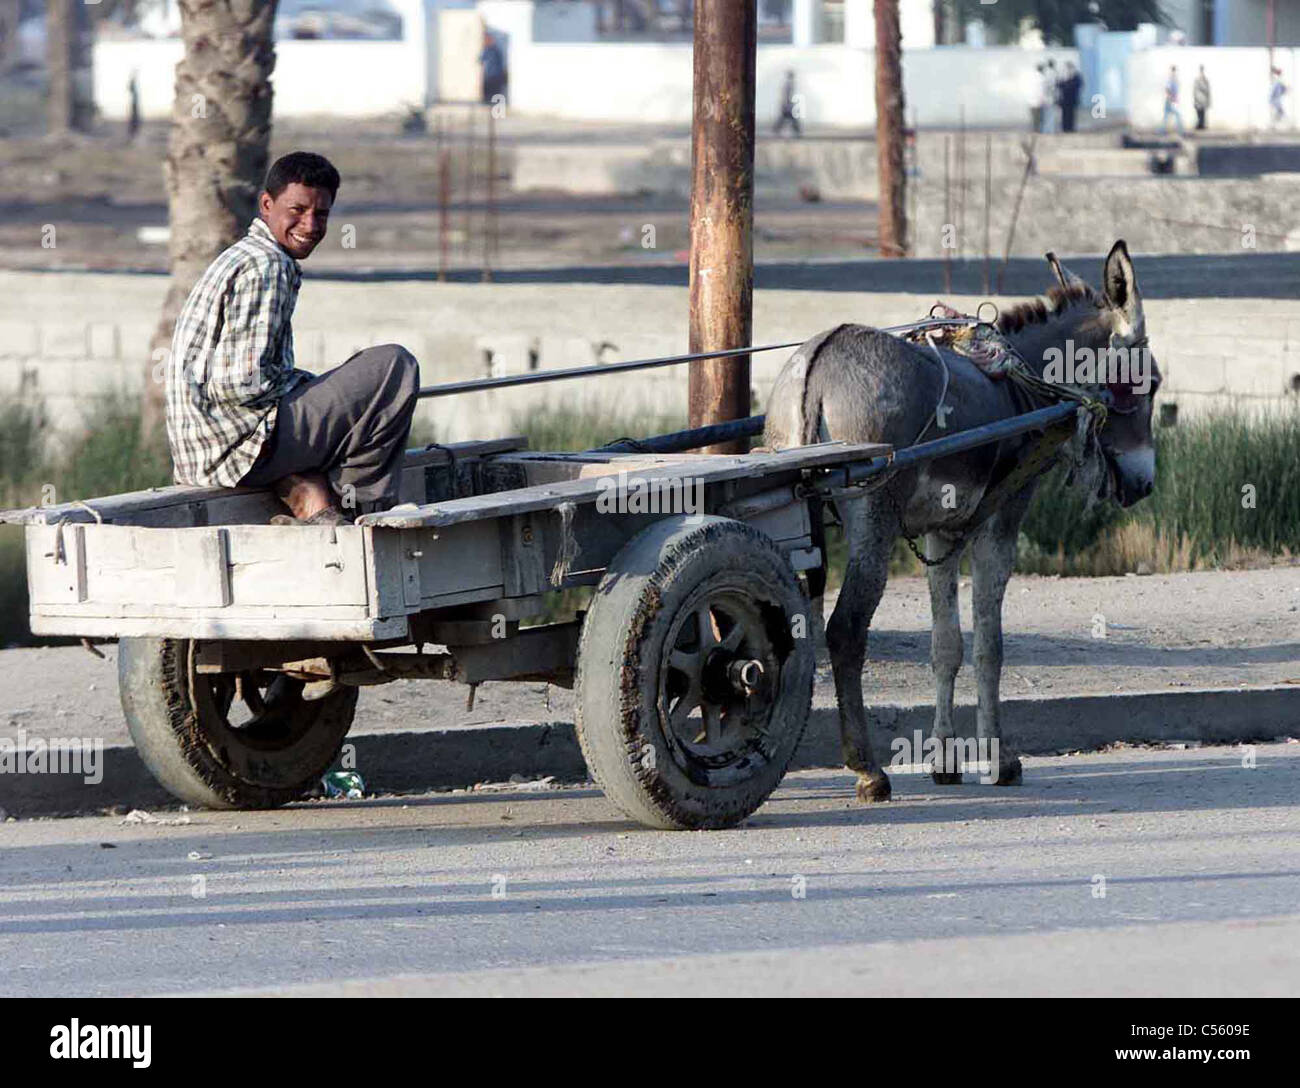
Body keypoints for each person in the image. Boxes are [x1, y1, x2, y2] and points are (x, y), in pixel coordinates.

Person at [165, 152, 419, 526]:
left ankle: (316, 491)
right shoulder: (267, 265)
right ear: (267, 205)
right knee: (394, 368)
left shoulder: (247, 255)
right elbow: (240, 385)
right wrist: (308, 386)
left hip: (209, 449)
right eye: (297, 210)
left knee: (342, 391)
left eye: (321, 215)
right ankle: (365, 511)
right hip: (236, 447)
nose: (310, 224)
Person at [479, 31, 507, 105]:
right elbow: (480, 60)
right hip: (489, 77)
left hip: (495, 77)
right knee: (489, 96)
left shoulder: (495, 51)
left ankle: (494, 110)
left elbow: (500, 64)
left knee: (494, 96)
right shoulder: (487, 50)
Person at [774, 69, 802, 137]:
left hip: (787, 105)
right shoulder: (789, 84)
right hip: (788, 105)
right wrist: (788, 104)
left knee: (785, 119)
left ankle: (776, 129)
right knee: (791, 119)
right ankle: (797, 131)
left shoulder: (788, 83)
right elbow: (787, 95)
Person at [1161, 64, 1185, 137]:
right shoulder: (1171, 79)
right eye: (1173, 70)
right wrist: (1171, 97)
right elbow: (1168, 89)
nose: (1174, 72)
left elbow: (1171, 89)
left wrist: (1173, 97)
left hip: (1172, 100)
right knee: (1175, 115)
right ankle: (1179, 130)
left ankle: (1179, 129)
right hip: (1171, 100)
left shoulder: (1173, 79)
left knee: (1170, 115)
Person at [1058, 61, 1082, 133]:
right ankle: (1065, 128)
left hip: (1072, 99)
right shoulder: (1063, 76)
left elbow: (1078, 85)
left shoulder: (1076, 76)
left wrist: (1067, 85)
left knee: (1071, 114)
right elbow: (1059, 85)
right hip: (1064, 99)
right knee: (1064, 114)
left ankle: (1070, 128)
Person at [1040, 59, 1058, 133]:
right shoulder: (1054, 73)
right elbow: (1054, 86)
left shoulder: (1045, 73)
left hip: (1045, 96)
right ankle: (1050, 129)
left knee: (1045, 114)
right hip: (1050, 96)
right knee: (1050, 114)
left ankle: (1045, 129)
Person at [1193, 65, 1210, 130]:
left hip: (1202, 99)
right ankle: (1200, 125)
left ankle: (1201, 125)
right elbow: (1195, 89)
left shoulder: (1205, 79)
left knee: (1202, 112)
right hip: (1199, 98)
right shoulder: (1198, 79)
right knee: (1199, 112)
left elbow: (1207, 90)